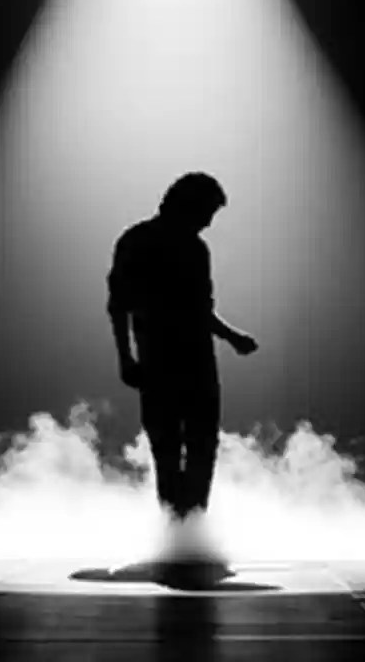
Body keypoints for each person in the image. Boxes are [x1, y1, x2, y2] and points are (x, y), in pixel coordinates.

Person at [107, 172, 259, 523]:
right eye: (206, 213)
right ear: (187, 205)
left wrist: (232, 337)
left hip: (192, 361)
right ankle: (179, 532)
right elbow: (119, 304)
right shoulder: (139, 241)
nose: (208, 223)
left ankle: (189, 530)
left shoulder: (192, 248)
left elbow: (200, 311)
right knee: (171, 449)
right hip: (162, 361)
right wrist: (125, 358)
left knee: (199, 446)